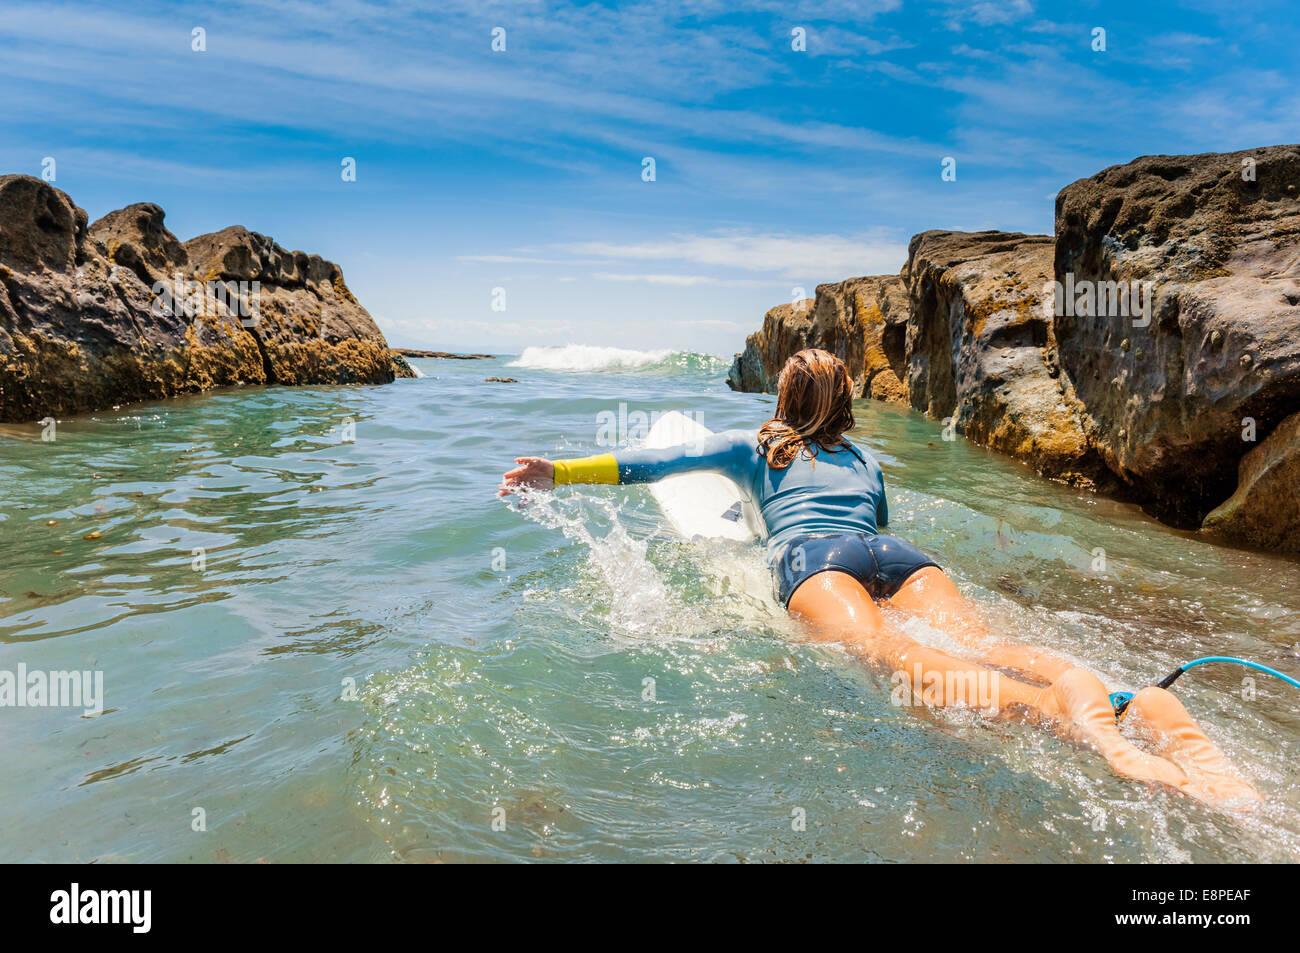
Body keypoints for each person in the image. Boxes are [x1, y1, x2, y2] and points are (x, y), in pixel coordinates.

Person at [499, 348, 1258, 807]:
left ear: (785, 402)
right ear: (847, 407)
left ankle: (1073, 726)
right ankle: (1125, 701)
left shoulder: (759, 448)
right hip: (896, 558)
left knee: (895, 660)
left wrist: (556, 471)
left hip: (814, 563)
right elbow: (877, 522)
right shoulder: (866, 460)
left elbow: (651, 465)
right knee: (985, 640)